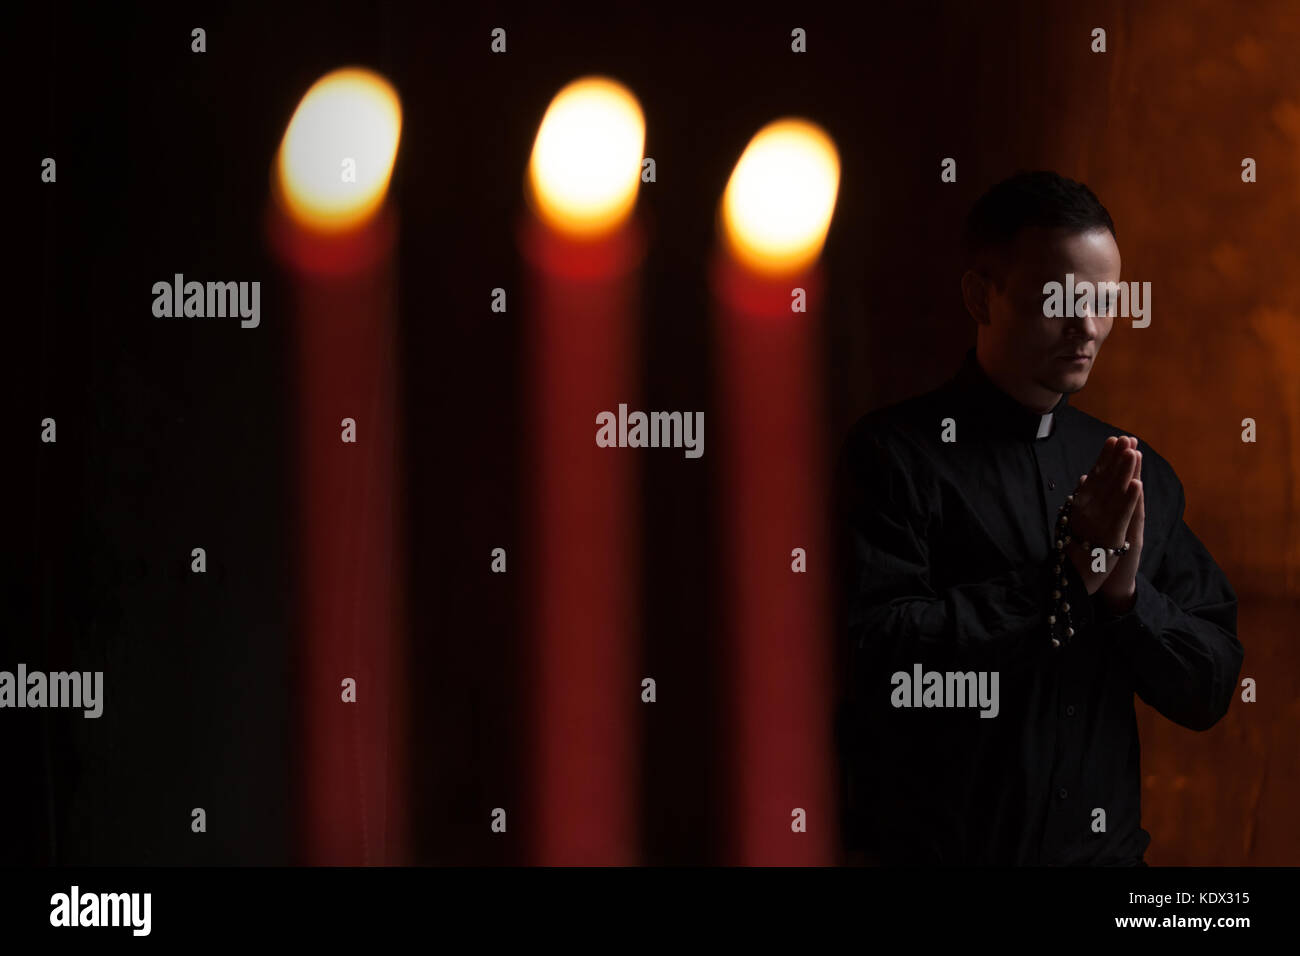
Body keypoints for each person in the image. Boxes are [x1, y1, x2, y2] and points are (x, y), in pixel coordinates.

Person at [833, 171, 1243, 865]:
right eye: (1059, 299)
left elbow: (1208, 687)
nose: (1087, 327)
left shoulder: (1138, 471)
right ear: (979, 297)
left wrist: (1123, 597)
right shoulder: (892, 457)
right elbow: (878, 659)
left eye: (1105, 301)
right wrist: (1067, 577)